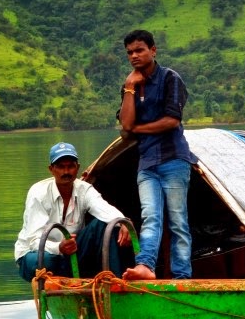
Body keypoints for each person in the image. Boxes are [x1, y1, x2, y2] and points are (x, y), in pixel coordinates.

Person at [117, 29, 197, 281]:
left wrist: (137, 129)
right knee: (150, 216)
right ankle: (146, 266)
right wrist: (129, 88)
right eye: (130, 52)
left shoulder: (170, 79)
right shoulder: (129, 85)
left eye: (139, 50)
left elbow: (172, 120)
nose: (134, 56)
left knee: (177, 221)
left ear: (153, 50)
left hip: (174, 159)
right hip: (147, 162)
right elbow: (126, 123)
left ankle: (182, 276)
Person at [14, 142, 131, 282]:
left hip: (71, 253)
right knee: (46, 261)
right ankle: (68, 281)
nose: (66, 172)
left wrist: (123, 222)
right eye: (61, 167)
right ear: (51, 169)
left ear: (78, 168)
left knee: (105, 225)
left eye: (70, 166)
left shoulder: (84, 189)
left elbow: (103, 208)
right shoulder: (38, 193)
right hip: (36, 254)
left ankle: (114, 283)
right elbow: (34, 241)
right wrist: (59, 247)